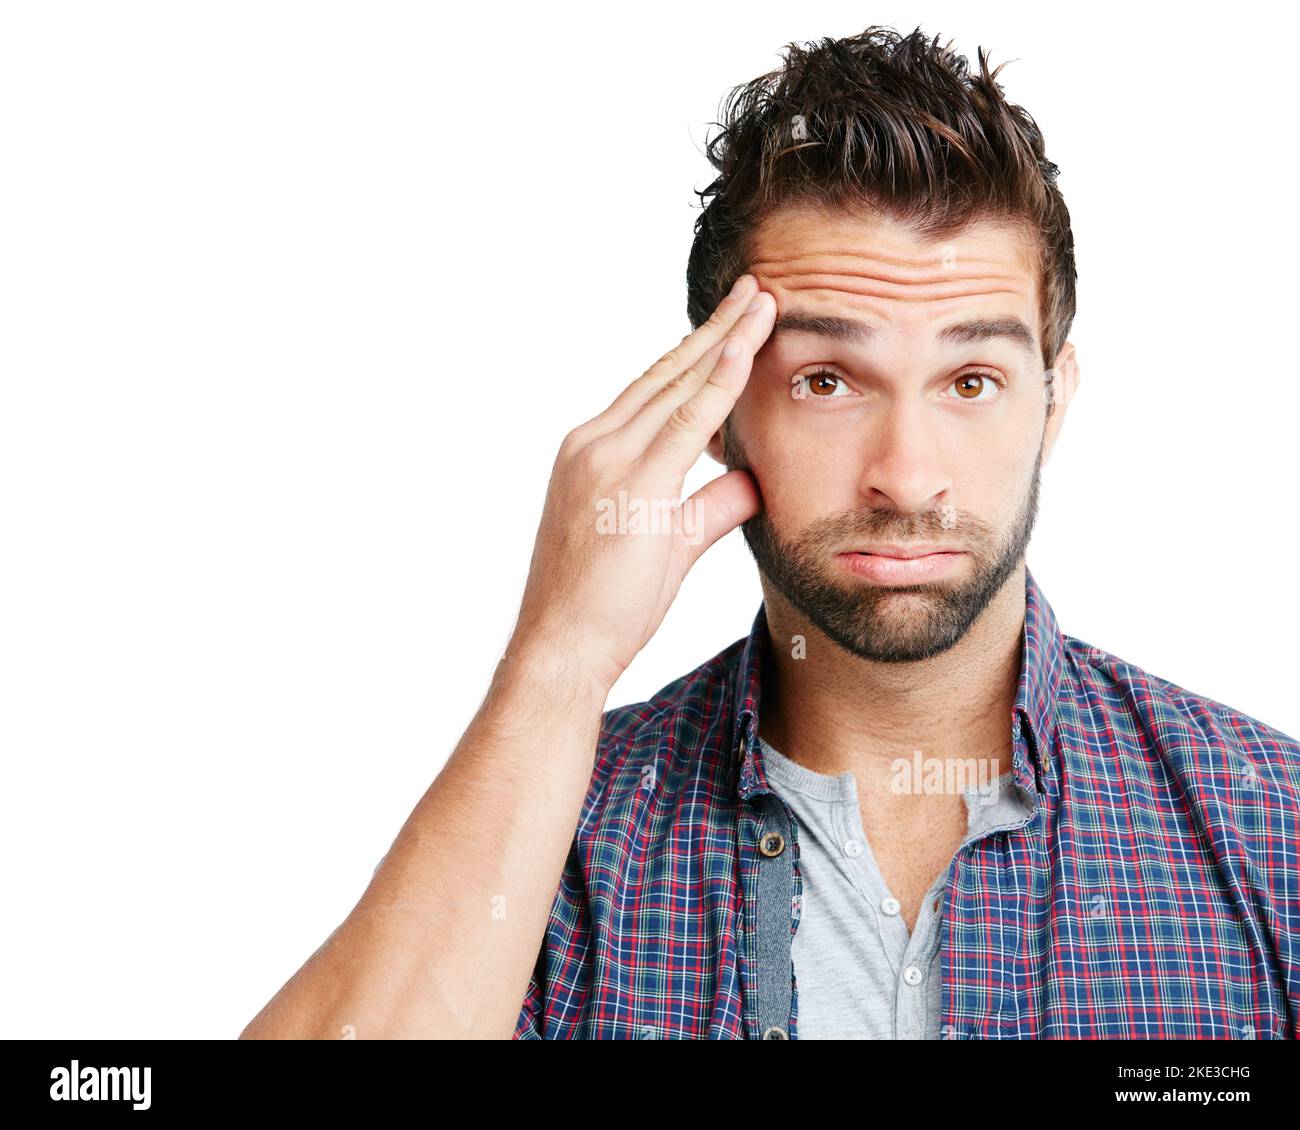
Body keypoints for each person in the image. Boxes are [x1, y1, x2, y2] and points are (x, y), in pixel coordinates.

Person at [240, 24, 1300, 1040]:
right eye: (827, 380)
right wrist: (560, 659)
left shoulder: (1269, 827)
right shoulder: (554, 841)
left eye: (971, 379)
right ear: (718, 405)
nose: (906, 475)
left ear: (1052, 403)